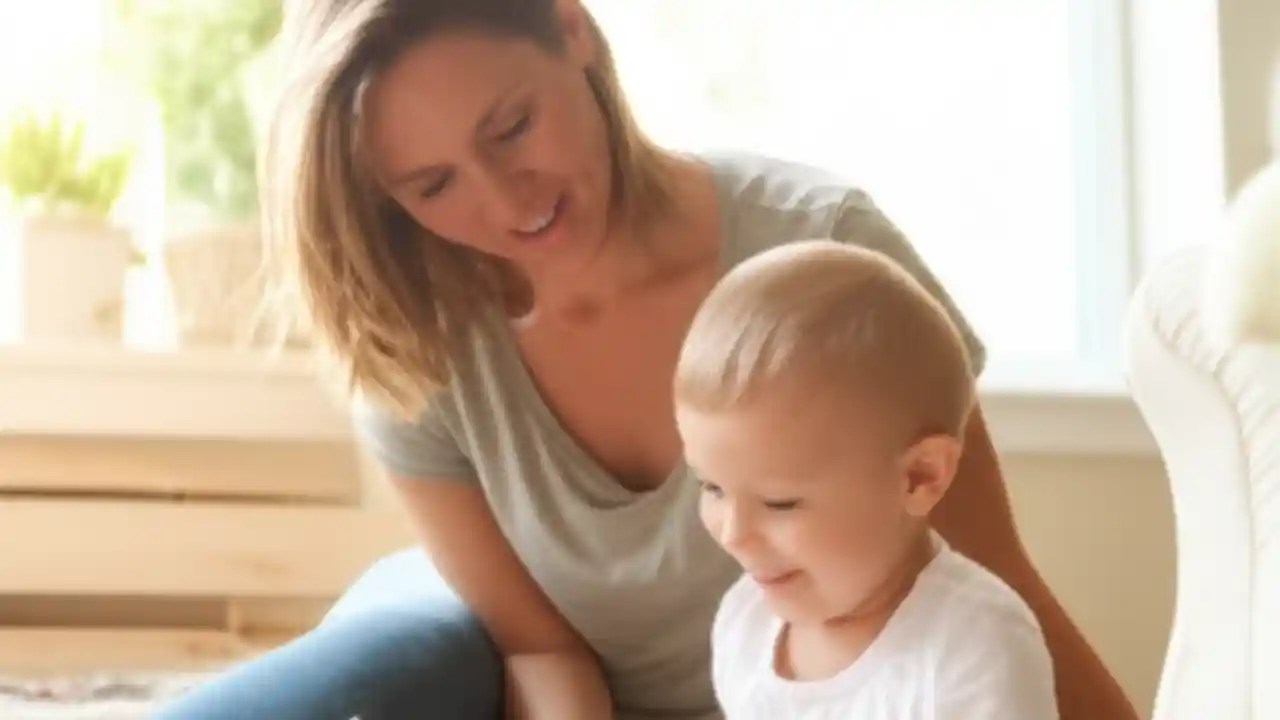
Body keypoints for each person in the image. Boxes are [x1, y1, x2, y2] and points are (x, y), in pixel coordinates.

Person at [156, 0, 1137, 718]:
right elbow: (541, 653)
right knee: (372, 659)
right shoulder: (417, 341)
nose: (505, 200)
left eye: (510, 128)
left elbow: (993, 587)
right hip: (483, 658)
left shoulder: (823, 258)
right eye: (430, 185)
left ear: (569, 27)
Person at [674, 240, 1057, 718]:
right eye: (712, 488)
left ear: (919, 477)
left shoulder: (974, 645)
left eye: (780, 503)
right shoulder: (745, 621)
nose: (734, 535)